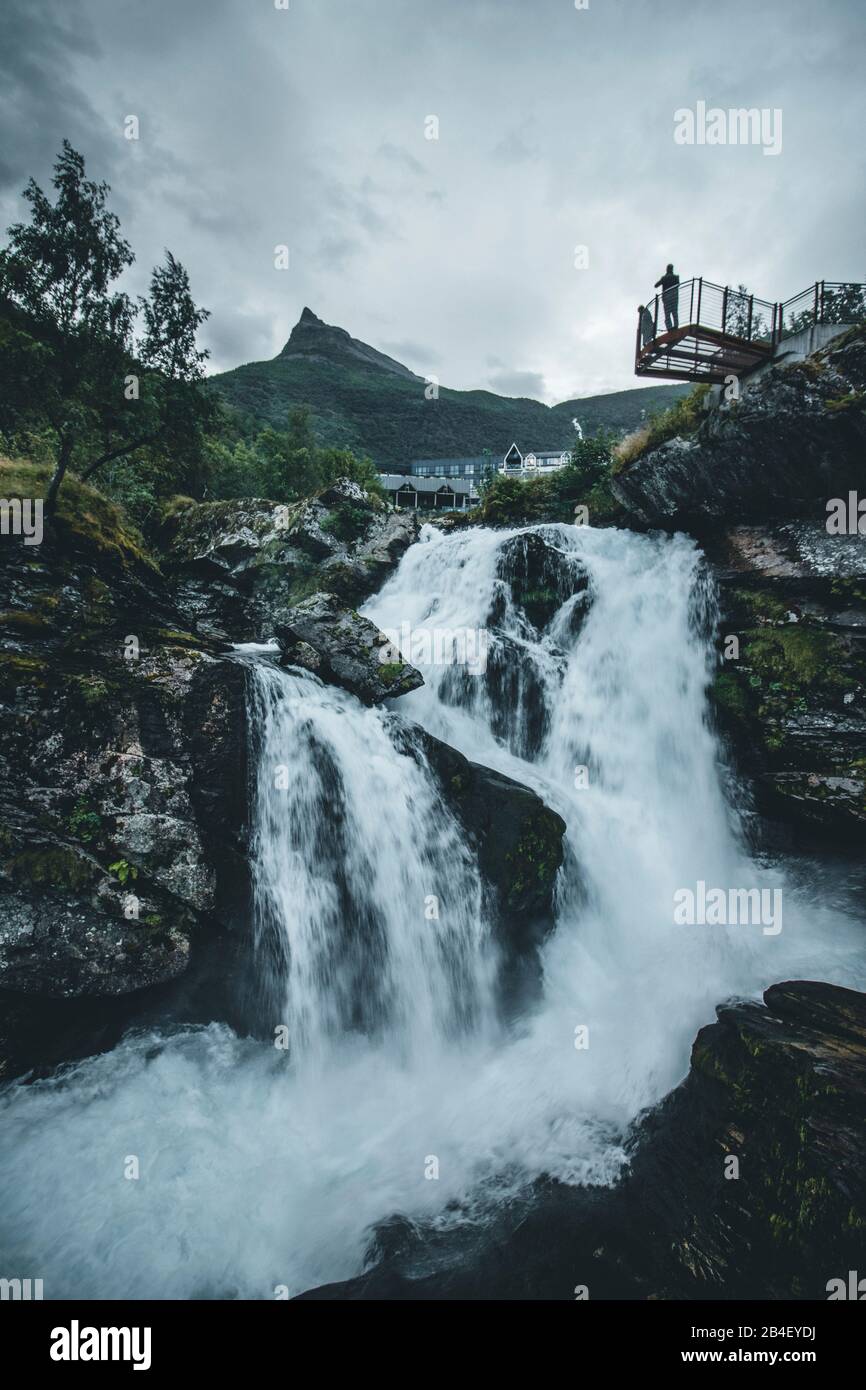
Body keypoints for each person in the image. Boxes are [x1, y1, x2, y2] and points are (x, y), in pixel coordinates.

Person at [654, 263, 680, 332]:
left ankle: (669, 328)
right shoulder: (676, 277)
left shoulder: (664, 278)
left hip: (666, 298)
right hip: (674, 297)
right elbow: (678, 284)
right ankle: (676, 326)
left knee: (667, 314)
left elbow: (656, 285)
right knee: (675, 312)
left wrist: (663, 280)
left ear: (667, 269)